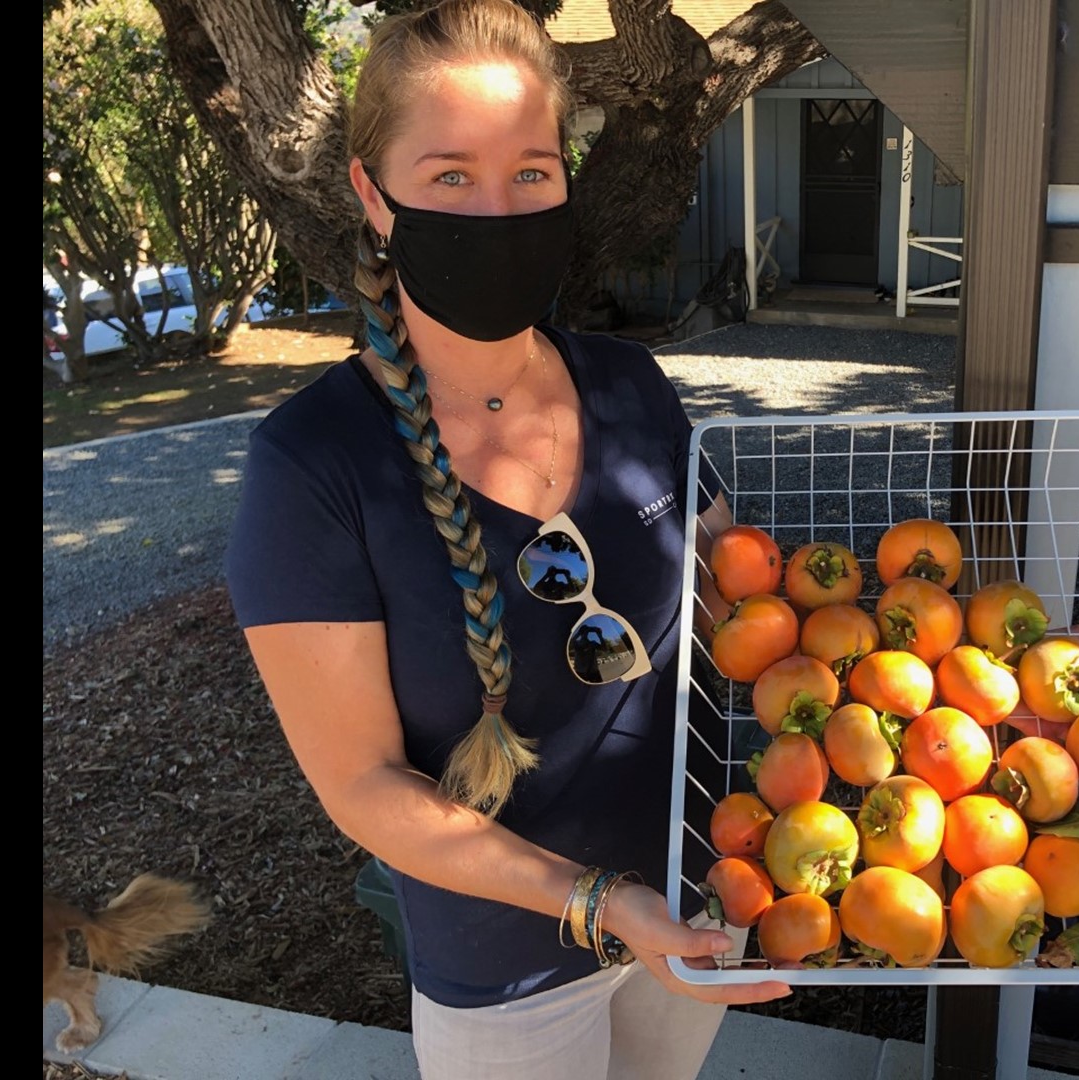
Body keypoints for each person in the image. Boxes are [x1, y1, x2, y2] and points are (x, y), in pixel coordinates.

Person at [222, 4, 788, 1077]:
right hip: (509, 970)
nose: (500, 208)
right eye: (450, 177)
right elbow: (366, 789)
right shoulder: (314, 466)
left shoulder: (631, 389)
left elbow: (742, 611)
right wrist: (599, 904)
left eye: (532, 172)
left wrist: (967, 685)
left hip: (700, 892)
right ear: (370, 194)